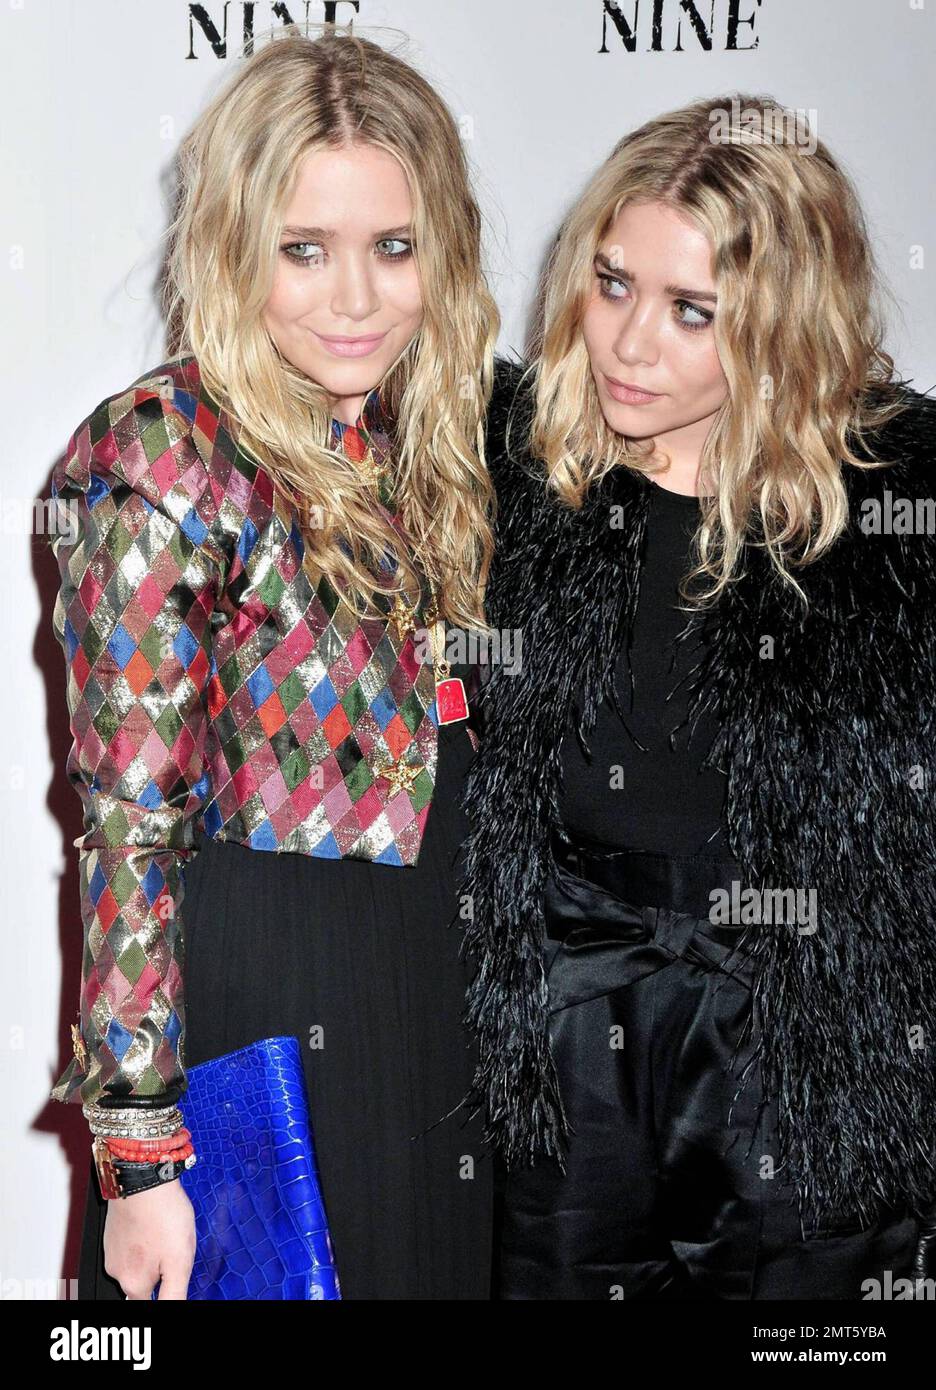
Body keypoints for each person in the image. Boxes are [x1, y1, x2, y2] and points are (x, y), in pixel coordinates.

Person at [48, 28, 499, 1301]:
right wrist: (139, 1161)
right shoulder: (153, 453)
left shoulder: (450, 433)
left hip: (442, 990)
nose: (355, 299)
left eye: (393, 248)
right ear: (236, 245)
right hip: (263, 996)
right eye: (304, 249)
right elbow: (130, 831)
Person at [461, 94, 936, 1299]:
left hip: (809, 1046)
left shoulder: (904, 505)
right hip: (572, 1039)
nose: (627, 343)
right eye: (612, 283)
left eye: (692, 313)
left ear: (783, 324)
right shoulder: (510, 464)